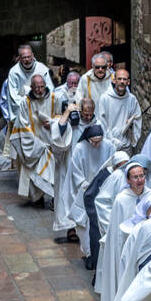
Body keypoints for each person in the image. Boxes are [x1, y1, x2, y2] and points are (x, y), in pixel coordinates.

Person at [95, 155, 151, 301]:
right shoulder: (121, 200)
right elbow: (116, 232)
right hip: (124, 250)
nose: (140, 180)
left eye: (142, 176)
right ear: (128, 180)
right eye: (135, 177)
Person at [7, 73, 61, 204]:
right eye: (36, 87)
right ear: (31, 87)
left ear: (45, 86)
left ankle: (55, 199)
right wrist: (36, 144)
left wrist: (53, 123)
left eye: (42, 87)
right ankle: (38, 198)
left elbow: (61, 117)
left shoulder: (55, 98)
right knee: (33, 172)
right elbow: (22, 125)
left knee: (54, 172)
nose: (39, 90)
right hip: (34, 144)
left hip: (51, 142)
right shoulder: (26, 102)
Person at [67, 124, 115, 251]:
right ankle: (88, 252)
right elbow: (75, 170)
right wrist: (86, 185)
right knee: (85, 224)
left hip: (103, 189)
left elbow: (111, 165)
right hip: (85, 189)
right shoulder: (79, 148)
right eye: (93, 142)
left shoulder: (109, 146)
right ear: (88, 139)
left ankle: (98, 253)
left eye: (99, 142)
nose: (96, 145)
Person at [49, 84, 87, 242]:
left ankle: (82, 226)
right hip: (67, 166)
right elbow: (58, 140)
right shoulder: (62, 121)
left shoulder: (89, 121)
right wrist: (66, 114)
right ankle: (71, 228)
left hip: (84, 167)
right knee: (67, 197)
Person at [83, 149, 129, 272]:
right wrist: (100, 218)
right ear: (114, 166)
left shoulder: (127, 176)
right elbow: (91, 196)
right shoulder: (104, 175)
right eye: (121, 166)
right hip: (102, 217)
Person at [98, 65, 142, 153]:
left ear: (128, 82)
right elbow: (102, 122)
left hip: (125, 145)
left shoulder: (132, 99)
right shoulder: (105, 98)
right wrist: (112, 140)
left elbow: (137, 119)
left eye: (124, 79)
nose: (122, 81)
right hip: (109, 144)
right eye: (119, 79)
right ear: (114, 81)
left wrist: (131, 125)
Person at [6, 43, 53, 122]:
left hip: (41, 107)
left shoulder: (42, 69)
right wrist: (29, 105)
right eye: (24, 57)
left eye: (29, 56)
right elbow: (13, 95)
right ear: (19, 58)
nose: (27, 60)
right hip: (22, 109)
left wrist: (40, 102)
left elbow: (50, 89)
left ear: (33, 55)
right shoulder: (14, 72)